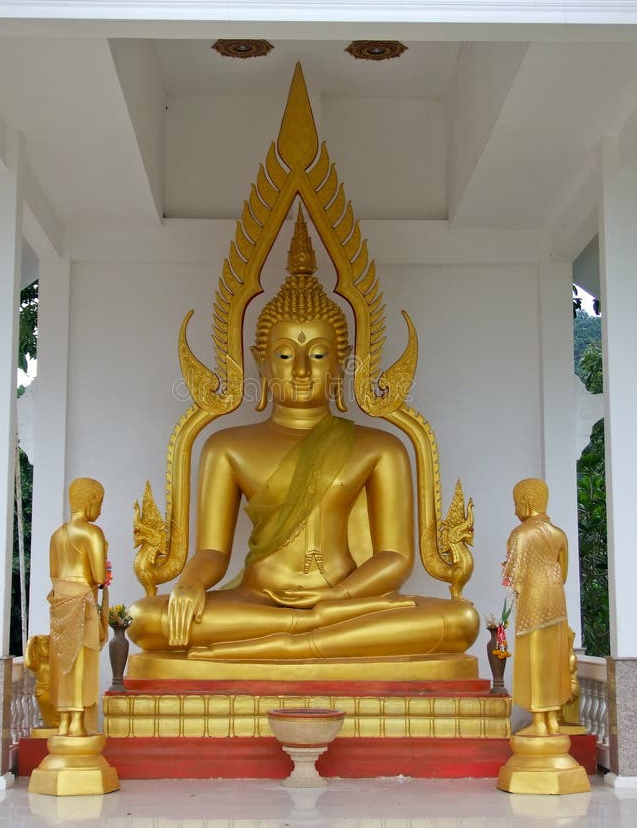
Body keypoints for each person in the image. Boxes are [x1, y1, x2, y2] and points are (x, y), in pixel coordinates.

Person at [129, 218, 478, 658]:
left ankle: (288, 640)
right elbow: (213, 553)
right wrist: (189, 585)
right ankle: (303, 637)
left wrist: (339, 599)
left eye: (316, 354)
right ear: (260, 361)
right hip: (257, 603)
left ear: (341, 362)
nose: (299, 371)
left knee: (459, 621)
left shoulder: (380, 448)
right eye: (283, 354)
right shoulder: (226, 446)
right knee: (146, 619)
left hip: (347, 604)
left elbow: (395, 558)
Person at [503, 478, 572, 735]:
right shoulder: (559, 535)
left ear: (526, 501)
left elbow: (514, 576)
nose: (514, 510)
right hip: (556, 604)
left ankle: (539, 721)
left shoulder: (520, 535)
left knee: (534, 659)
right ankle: (553, 719)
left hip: (532, 605)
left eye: (515, 503)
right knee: (554, 659)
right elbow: (563, 574)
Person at [48, 477, 109, 736]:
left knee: (63, 661)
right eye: (100, 503)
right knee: (82, 659)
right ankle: (78, 720)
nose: (101, 509)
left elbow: (53, 572)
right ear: (91, 501)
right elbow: (97, 576)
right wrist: (106, 563)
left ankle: (63, 721)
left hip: (60, 602)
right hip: (83, 602)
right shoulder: (92, 533)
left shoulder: (56, 535)